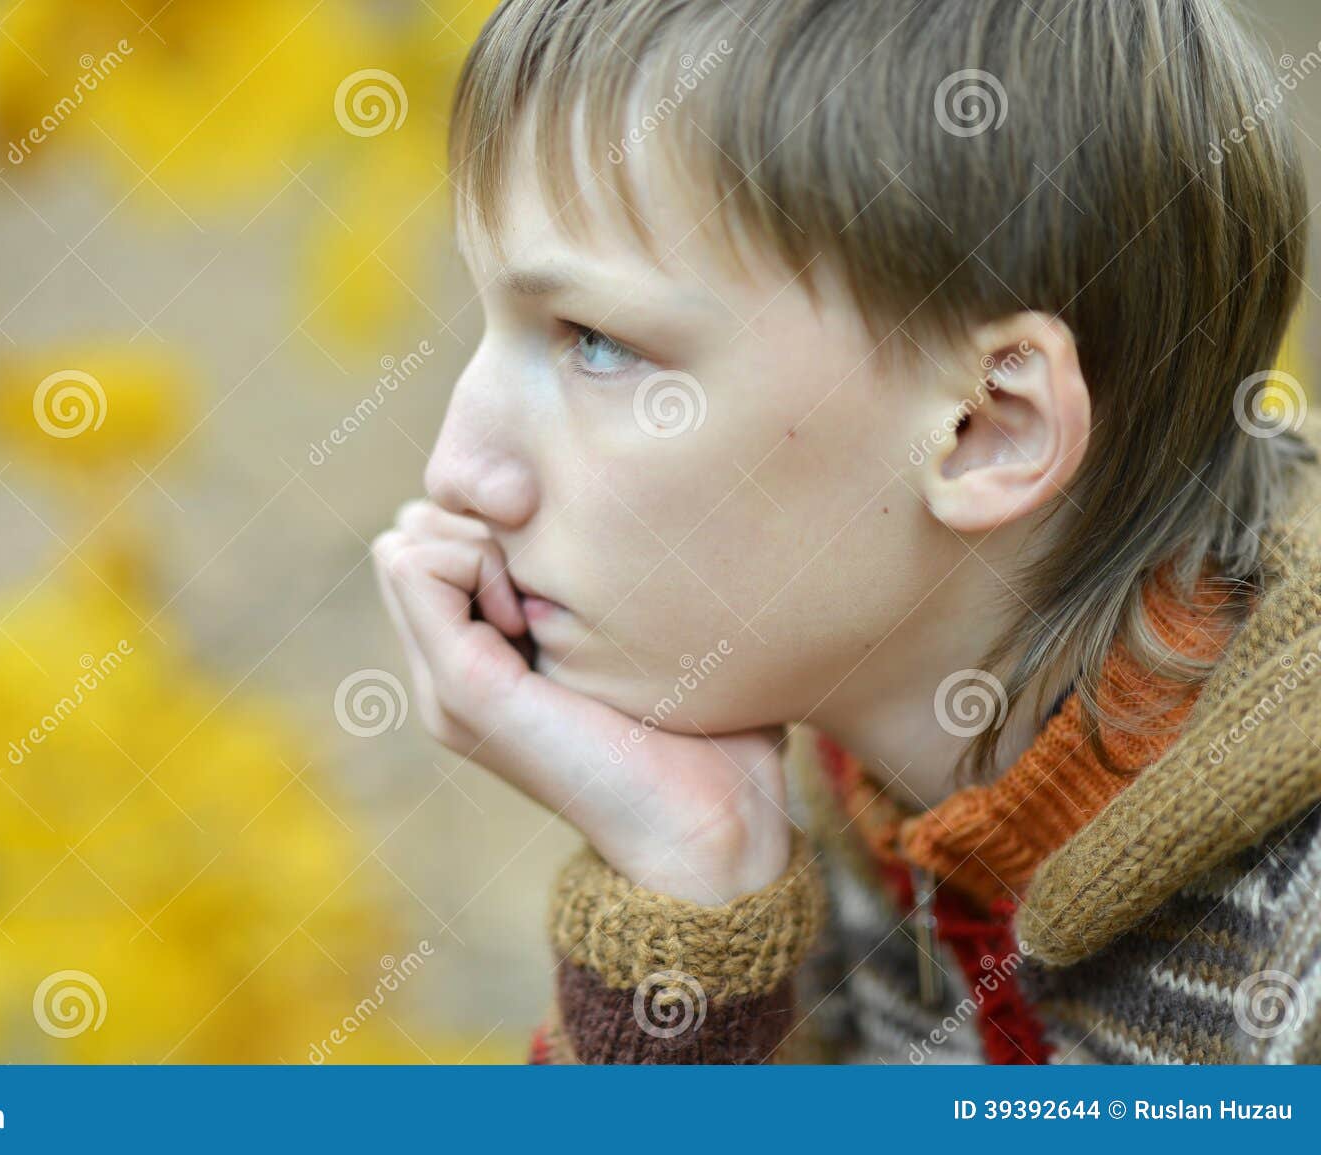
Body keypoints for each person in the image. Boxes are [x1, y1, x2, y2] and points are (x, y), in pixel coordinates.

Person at [372, 0, 1321, 1062]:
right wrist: (691, 892)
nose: (458, 471)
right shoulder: (845, 807)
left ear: (985, 428)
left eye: (597, 340)